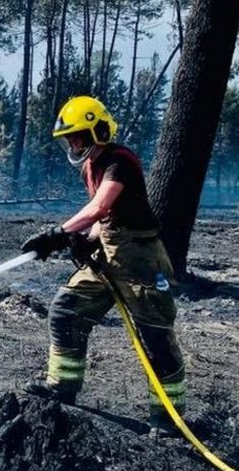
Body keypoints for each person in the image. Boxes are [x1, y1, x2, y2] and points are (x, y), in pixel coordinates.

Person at [20, 95, 185, 434]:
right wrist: (89, 240)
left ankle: (169, 421)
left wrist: (58, 234)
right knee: (67, 310)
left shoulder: (118, 161)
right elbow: (103, 216)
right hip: (109, 254)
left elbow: (99, 206)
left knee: (155, 336)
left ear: (98, 130)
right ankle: (61, 389)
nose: (73, 143)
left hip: (139, 258)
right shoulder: (91, 165)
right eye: (70, 138)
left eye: (78, 136)